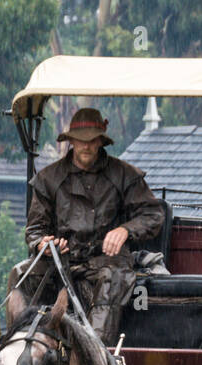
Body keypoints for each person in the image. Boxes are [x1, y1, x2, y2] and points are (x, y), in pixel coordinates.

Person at [15, 108, 165, 345]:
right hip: (61, 261)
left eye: (92, 140)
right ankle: (24, 343)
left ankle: (95, 350)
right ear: (71, 141)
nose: (86, 146)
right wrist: (44, 243)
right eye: (81, 140)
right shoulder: (48, 179)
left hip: (107, 260)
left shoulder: (124, 175)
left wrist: (125, 229)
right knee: (21, 273)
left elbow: (153, 214)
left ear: (101, 141)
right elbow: (35, 230)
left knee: (113, 278)